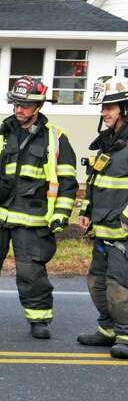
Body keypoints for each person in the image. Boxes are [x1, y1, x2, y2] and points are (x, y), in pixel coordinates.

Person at [0, 76, 78, 338]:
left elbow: (67, 181)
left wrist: (61, 214)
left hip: (32, 217)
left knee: (31, 271)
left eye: (25, 105)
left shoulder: (55, 138)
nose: (19, 109)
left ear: (38, 106)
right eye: (16, 104)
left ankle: (39, 320)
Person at [78, 75, 128, 359]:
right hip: (102, 228)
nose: (104, 112)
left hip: (122, 232)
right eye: (103, 107)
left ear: (125, 109)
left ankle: (125, 335)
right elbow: (95, 182)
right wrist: (86, 211)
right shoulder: (107, 143)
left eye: (110, 107)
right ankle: (107, 329)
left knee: (119, 285)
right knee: (96, 282)